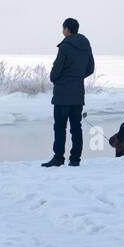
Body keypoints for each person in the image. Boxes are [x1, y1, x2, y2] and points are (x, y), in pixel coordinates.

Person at [42, 17, 94, 167]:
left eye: (63, 28)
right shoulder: (86, 45)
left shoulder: (65, 46)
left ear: (67, 29)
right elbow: (90, 68)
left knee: (60, 127)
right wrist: (77, 77)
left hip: (63, 94)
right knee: (76, 127)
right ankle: (75, 159)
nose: (62, 31)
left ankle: (58, 158)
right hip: (78, 93)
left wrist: (55, 77)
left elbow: (57, 70)